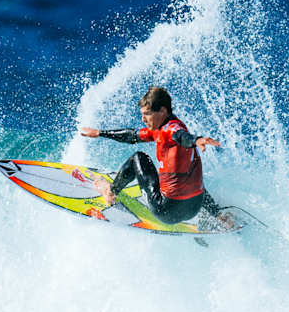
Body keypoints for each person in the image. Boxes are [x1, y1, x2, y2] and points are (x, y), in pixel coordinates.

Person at [79, 86, 229, 227]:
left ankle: (110, 191)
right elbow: (132, 135)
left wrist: (196, 140)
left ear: (162, 111)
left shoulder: (172, 130)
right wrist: (100, 133)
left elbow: (182, 136)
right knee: (189, 172)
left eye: (147, 114)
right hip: (194, 207)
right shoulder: (165, 127)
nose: (143, 119)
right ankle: (217, 214)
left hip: (167, 211)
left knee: (138, 158)